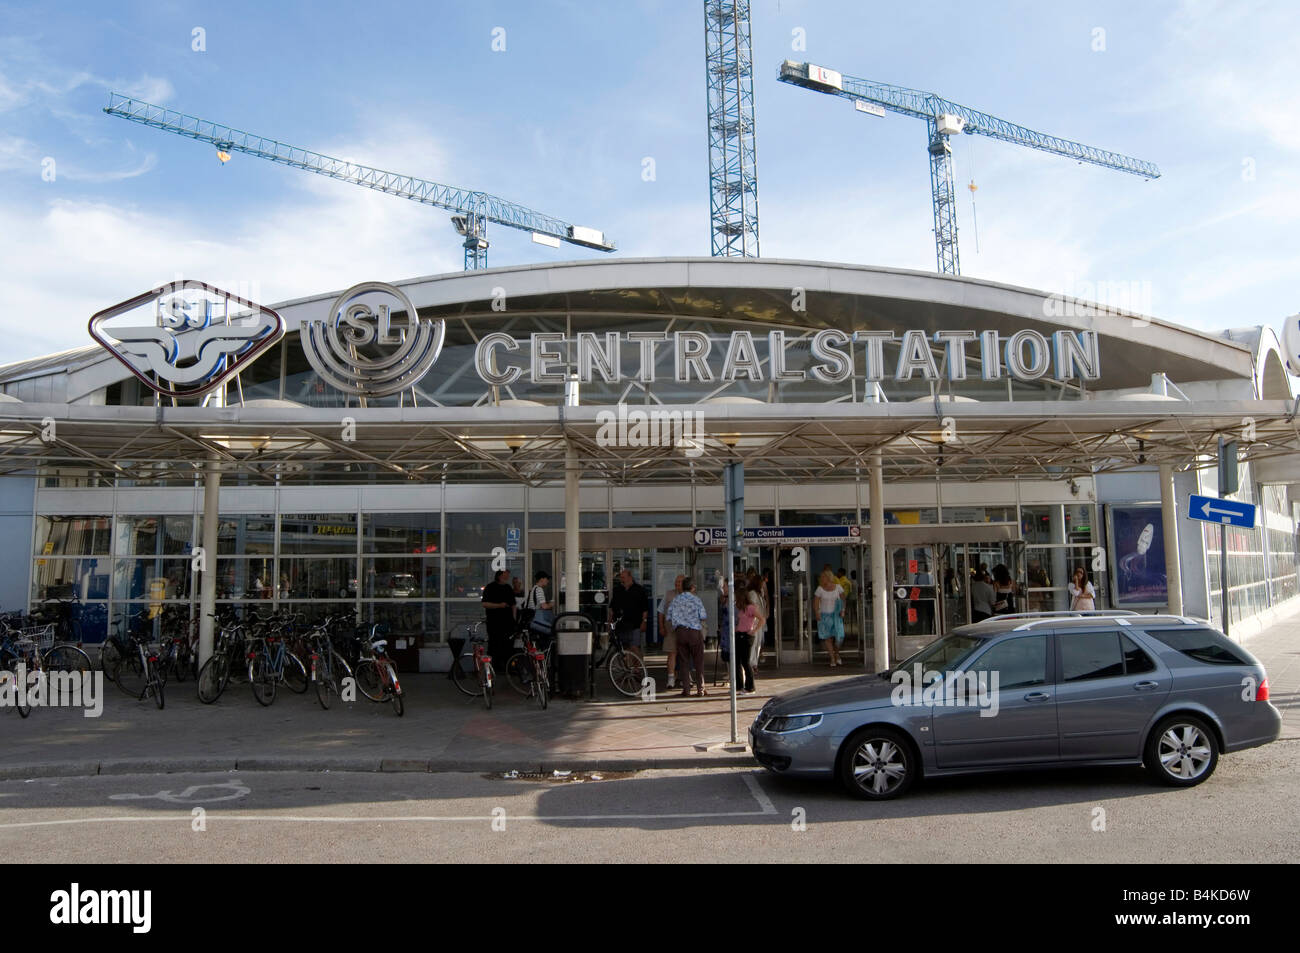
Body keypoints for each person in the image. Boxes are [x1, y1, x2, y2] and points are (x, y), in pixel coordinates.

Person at [667, 576, 708, 697]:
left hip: (681, 633)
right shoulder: (696, 600)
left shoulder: (675, 600)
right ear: (692, 587)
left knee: (683, 662)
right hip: (694, 633)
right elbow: (703, 616)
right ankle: (701, 689)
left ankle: (686, 689)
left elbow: (668, 616)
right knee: (698, 661)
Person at [480, 569, 516, 672]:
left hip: (508, 622)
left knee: (508, 645)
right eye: (505, 576)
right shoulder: (490, 587)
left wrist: (514, 619)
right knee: (494, 644)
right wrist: (499, 605)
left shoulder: (508, 588)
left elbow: (513, 605)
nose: (507, 578)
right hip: (494, 622)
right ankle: (494, 667)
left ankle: (508, 666)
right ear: (499, 576)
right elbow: (484, 604)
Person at [609, 568, 649, 660]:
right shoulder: (617, 590)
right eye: (621, 578)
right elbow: (612, 608)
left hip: (635, 624)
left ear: (630, 577)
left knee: (634, 647)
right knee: (624, 648)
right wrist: (610, 621)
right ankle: (628, 668)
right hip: (620, 624)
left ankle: (638, 668)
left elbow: (645, 609)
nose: (621, 579)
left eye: (623, 577)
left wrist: (644, 621)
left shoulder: (639, 590)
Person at [658, 574, 685, 688]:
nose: (677, 583)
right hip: (671, 630)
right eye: (676, 581)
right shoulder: (668, 594)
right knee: (672, 654)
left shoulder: (689, 595)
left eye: (679, 582)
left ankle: (684, 678)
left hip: (685, 630)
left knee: (684, 655)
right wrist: (661, 626)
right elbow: (660, 611)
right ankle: (671, 679)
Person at [814, 568, 846, 667]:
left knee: (839, 637)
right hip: (825, 615)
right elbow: (816, 602)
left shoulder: (838, 587)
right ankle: (832, 658)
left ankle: (837, 653)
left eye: (823, 577)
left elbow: (843, 599)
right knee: (828, 638)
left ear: (828, 577)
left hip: (836, 615)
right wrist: (817, 612)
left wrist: (843, 610)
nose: (821, 578)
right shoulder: (820, 589)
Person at [732, 578, 757, 695]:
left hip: (747, 635)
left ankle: (750, 686)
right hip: (739, 634)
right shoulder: (741, 609)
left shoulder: (750, 607)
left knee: (745, 662)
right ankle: (739, 685)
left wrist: (753, 630)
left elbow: (761, 619)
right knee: (737, 660)